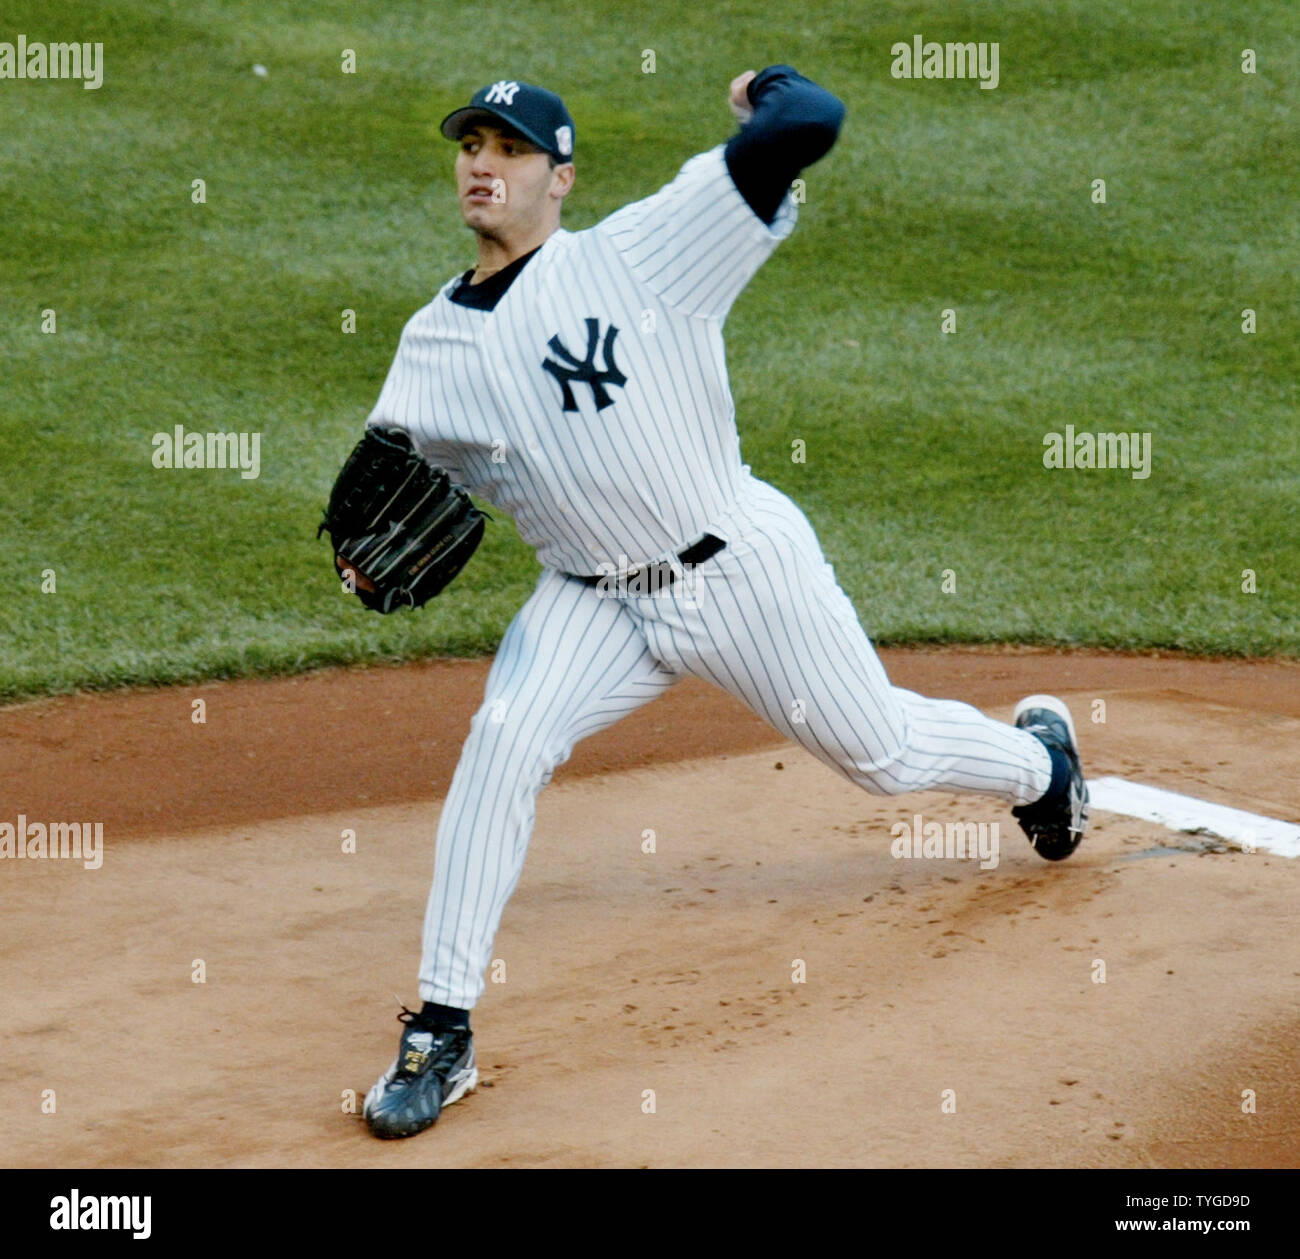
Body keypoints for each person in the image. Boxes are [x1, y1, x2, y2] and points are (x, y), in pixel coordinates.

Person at [353, 67, 1089, 1140]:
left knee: (878, 750)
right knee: (502, 740)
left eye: (510, 149)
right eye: (470, 143)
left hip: (736, 570)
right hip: (589, 599)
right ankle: (443, 1027)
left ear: (560, 177)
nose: (482, 163)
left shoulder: (644, 252)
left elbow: (813, 124)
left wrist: (766, 91)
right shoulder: (429, 344)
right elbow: (396, 487)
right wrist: (371, 565)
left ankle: (1043, 768)